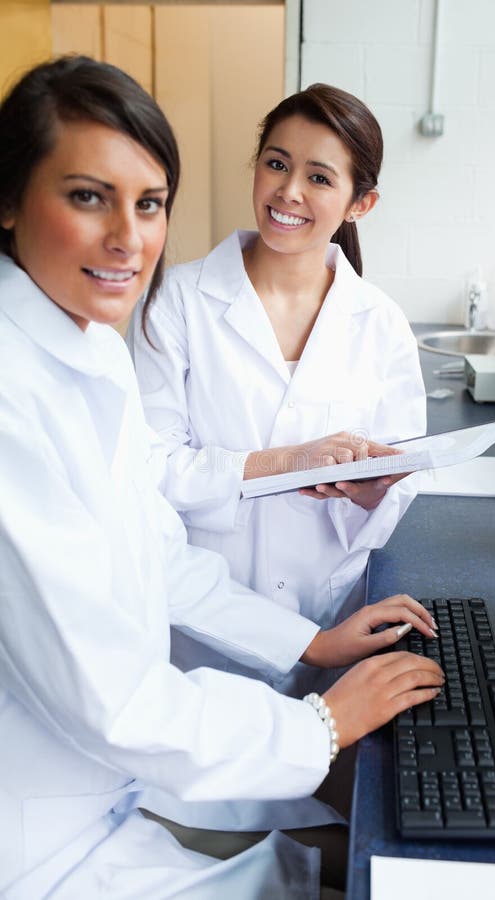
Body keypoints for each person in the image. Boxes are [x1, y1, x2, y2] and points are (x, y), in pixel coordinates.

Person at [0, 56, 444, 899]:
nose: (128, 239)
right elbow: (111, 700)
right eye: (87, 196)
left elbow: (156, 548)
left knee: (353, 855)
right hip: (48, 823)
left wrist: (308, 644)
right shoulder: (20, 390)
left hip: (120, 776)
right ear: (10, 198)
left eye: (149, 203)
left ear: (357, 203)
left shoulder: (86, 347)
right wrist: (318, 721)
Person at [129, 84, 428, 705]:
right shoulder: (175, 304)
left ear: (360, 203)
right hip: (198, 639)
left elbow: (404, 469)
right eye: (276, 163)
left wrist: (376, 491)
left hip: (332, 623)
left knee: (325, 783)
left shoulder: (380, 323)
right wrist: (284, 462)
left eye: (319, 177)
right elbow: (146, 470)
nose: (288, 191)